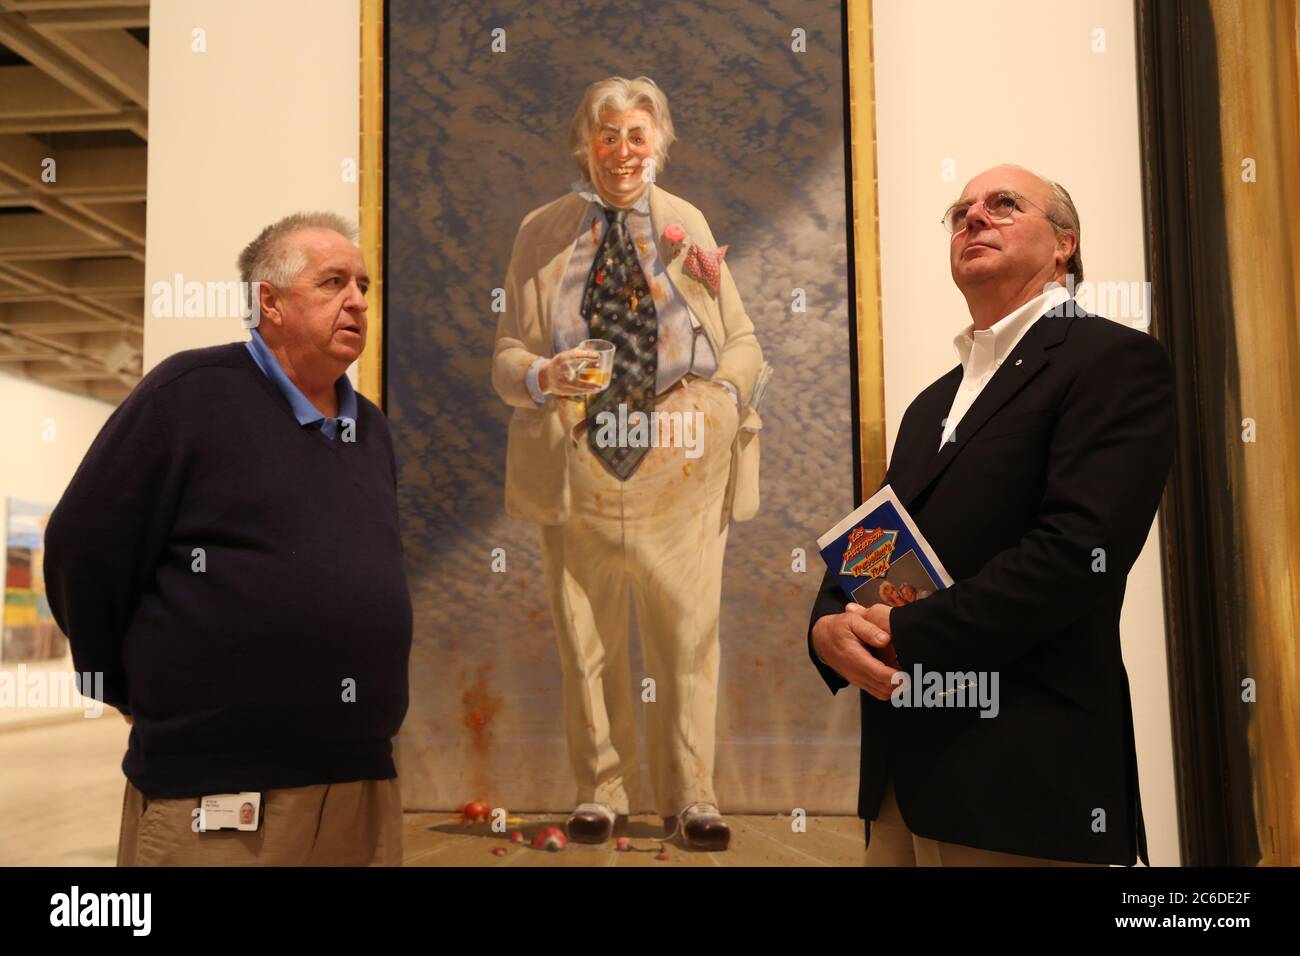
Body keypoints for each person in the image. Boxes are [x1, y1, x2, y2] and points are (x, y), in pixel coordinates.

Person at [808, 165, 1175, 866]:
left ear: (1064, 243)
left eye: (1003, 205)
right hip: (900, 779)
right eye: (961, 210)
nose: (974, 217)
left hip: (1023, 779)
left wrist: (910, 631)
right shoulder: (928, 404)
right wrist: (827, 623)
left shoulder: (1114, 361)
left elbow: (1078, 555)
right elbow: (880, 546)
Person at [44, 212, 411, 866]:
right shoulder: (190, 395)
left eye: (362, 284)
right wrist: (121, 687)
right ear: (269, 301)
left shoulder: (372, 430)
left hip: (359, 780)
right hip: (220, 786)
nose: (356, 298)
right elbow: (83, 544)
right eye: (332, 282)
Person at [491, 76, 764, 849]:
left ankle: (693, 796)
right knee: (586, 641)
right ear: (586, 145)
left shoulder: (688, 226)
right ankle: (600, 790)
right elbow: (506, 353)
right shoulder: (541, 232)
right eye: (605, 135)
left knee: (688, 637)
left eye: (635, 135)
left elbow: (742, 341)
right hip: (575, 461)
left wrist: (718, 408)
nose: (620, 150)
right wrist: (541, 375)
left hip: (679, 465)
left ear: (659, 145)